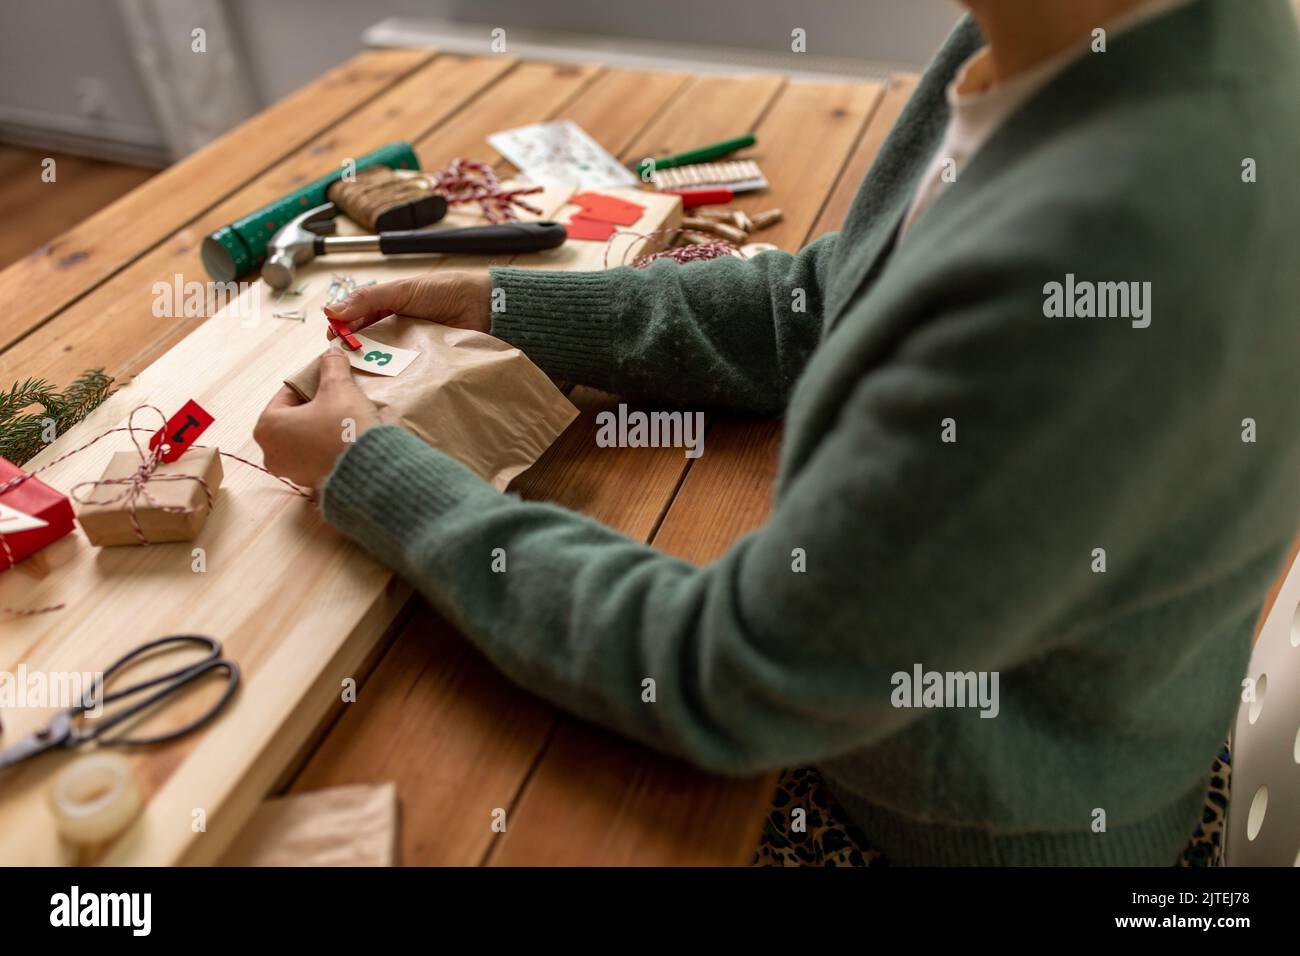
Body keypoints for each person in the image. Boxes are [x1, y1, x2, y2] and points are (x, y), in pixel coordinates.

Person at [254, 0, 1300, 865]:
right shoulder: (1037, 36)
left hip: (962, 831)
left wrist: (372, 470)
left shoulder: (1114, 243)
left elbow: (733, 676)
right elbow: (825, 300)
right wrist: (511, 307)